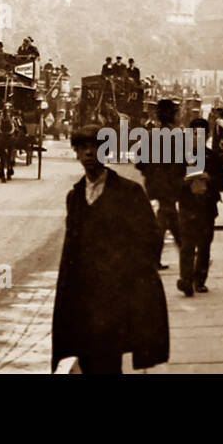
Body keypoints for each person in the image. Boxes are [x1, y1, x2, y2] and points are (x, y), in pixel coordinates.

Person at [51, 126, 169, 375]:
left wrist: (126, 272)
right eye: (82, 148)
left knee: (107, 362)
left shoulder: (129, 192)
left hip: (115, 297)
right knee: (87, 361)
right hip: (83, 298)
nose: (88, 153)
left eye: (94, 147)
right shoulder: (75, 197)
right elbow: (71, 251)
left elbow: (150, 240)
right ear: (76, 153)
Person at [176, 118, 223, 296]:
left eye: (202, 134)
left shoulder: (213, 157)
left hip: (207, 207)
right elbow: (170, 184)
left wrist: (210, 179)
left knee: (204, 245)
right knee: (187, 246)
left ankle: (199, 281)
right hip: (187, 207)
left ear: (207, 136)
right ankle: (185, 280)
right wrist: (183, 182)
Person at [137, 98, 185, 269]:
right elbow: (184, 163)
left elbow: (139, 162)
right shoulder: (177, 136)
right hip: (171, 186)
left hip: (157, 185)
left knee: (168, 220)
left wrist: (152, 174)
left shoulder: (151, 136)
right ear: (172, 115)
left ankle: (159, 258)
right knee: (167, 220)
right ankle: (186, 256)